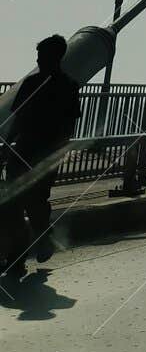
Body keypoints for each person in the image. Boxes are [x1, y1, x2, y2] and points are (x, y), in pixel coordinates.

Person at [2, 35, 81, 274]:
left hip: (33, 151)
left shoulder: (55, 86)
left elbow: (18, 118)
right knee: (18, 203)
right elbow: (68, 125)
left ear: (52, 57)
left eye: (41, 55)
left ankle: (33, 245)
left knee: (26, 203)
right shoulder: (68, 86)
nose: (38, 59)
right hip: (32, 151)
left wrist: (9, 144)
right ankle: (21, 256)